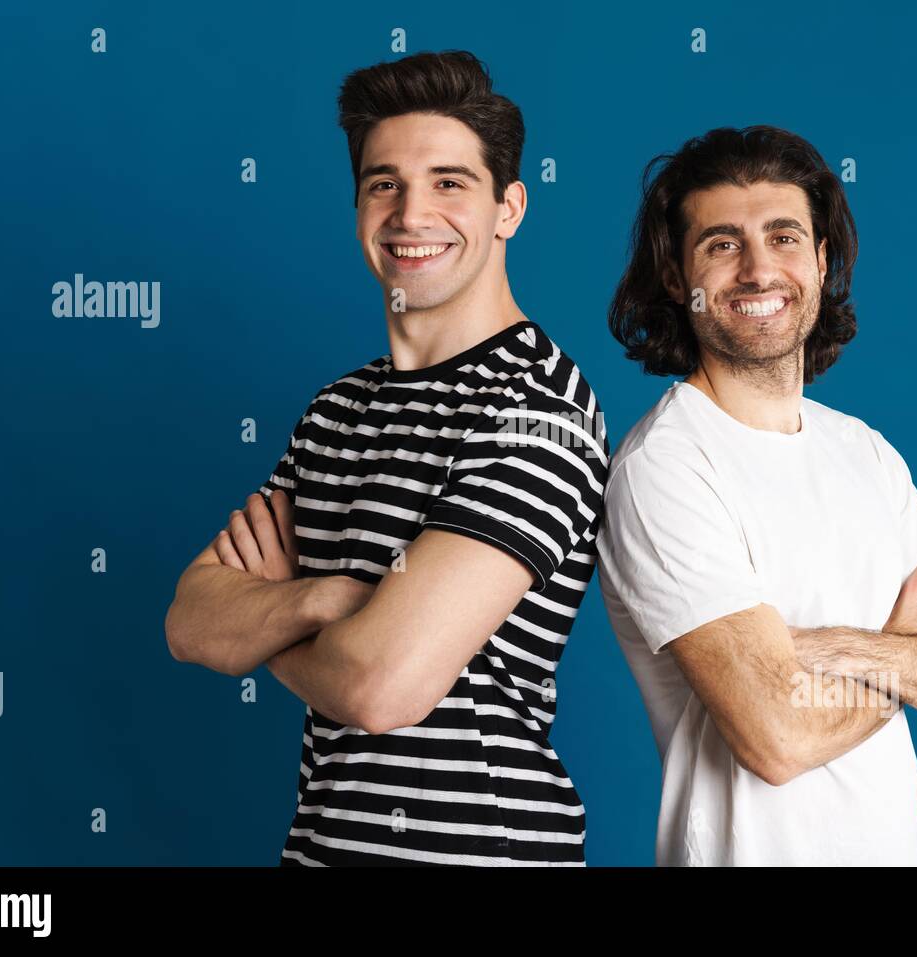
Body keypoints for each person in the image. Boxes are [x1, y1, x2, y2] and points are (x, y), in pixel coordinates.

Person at [165, 50, 608, 866]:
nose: (412, 214)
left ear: (509, 206)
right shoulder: (335, 410)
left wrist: (266, 621)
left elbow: (381, 687)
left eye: (449, 182)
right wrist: (326, 599)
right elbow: (190, 622)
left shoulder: (537, 414)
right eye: (384, 184)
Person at [598, 125, 917, 866]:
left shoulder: (865, 452)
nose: (759, 269)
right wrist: (906, 644)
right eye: (722, 244)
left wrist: (825, 650)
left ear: (821, 261)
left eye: (785, 237)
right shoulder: (663, 465)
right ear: (676, 276)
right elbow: (778, 735)